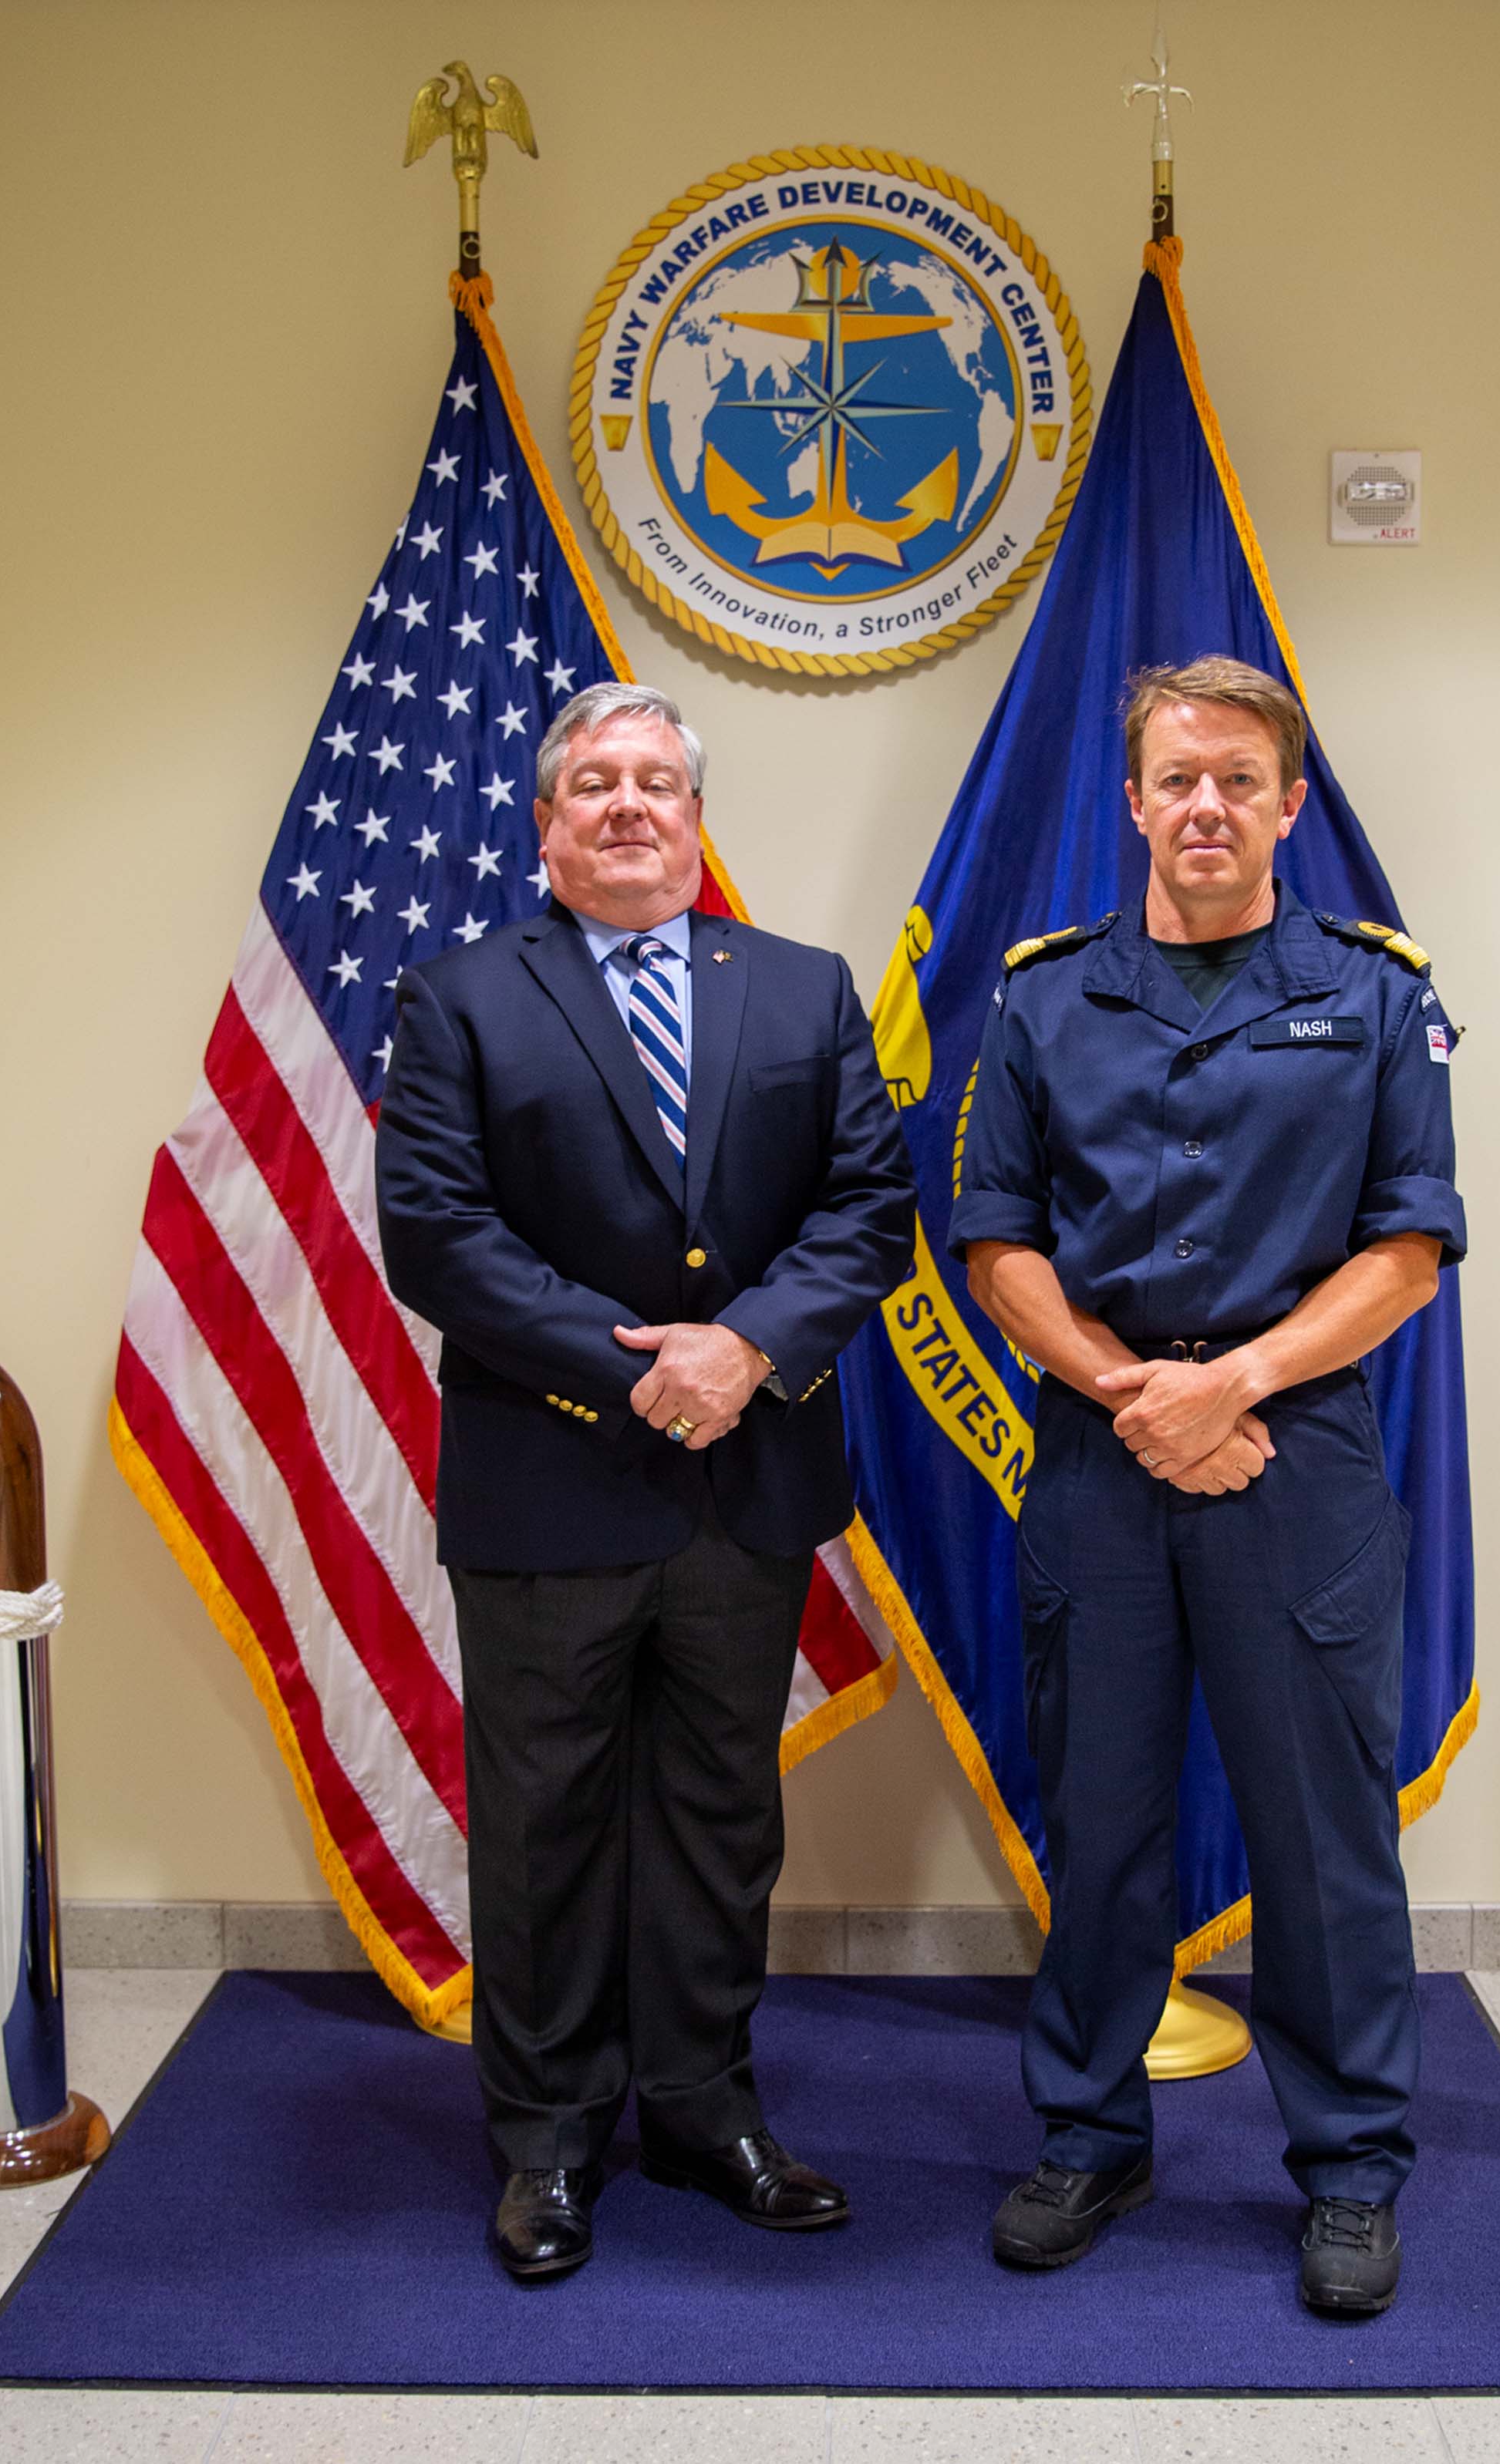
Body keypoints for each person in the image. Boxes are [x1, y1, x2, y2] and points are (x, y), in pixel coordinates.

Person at [376, 681, 915, 2281]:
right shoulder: (461, 996)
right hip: (549, 1480)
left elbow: (868, 1207)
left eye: (656, 782)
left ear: (695, 818)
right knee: (542, 1822)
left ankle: (700, 2108)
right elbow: (438, 1235)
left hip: (745, 1486)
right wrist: (640, 1368)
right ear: (546, 826)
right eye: (594, 783)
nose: (627, 804)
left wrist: (744, 1348)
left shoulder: (803, 989)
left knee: (718, 1815)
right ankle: (546, 2141)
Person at [950, 655, 1466, 2315]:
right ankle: (1089, 2135)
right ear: (1133, 800)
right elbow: (995, 1239)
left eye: (1240, 779)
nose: (1207, 806)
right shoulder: (1043, 999)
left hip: (1292, 1450)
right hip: (1101, 1450)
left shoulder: (1374, 994)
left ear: (1288, 804)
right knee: (1099, 1814)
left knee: (1321, 1834)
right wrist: (1135, 1391)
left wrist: (1231, 1385)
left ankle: (1351, 2167)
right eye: (1178, 777)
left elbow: (1407, 1250)